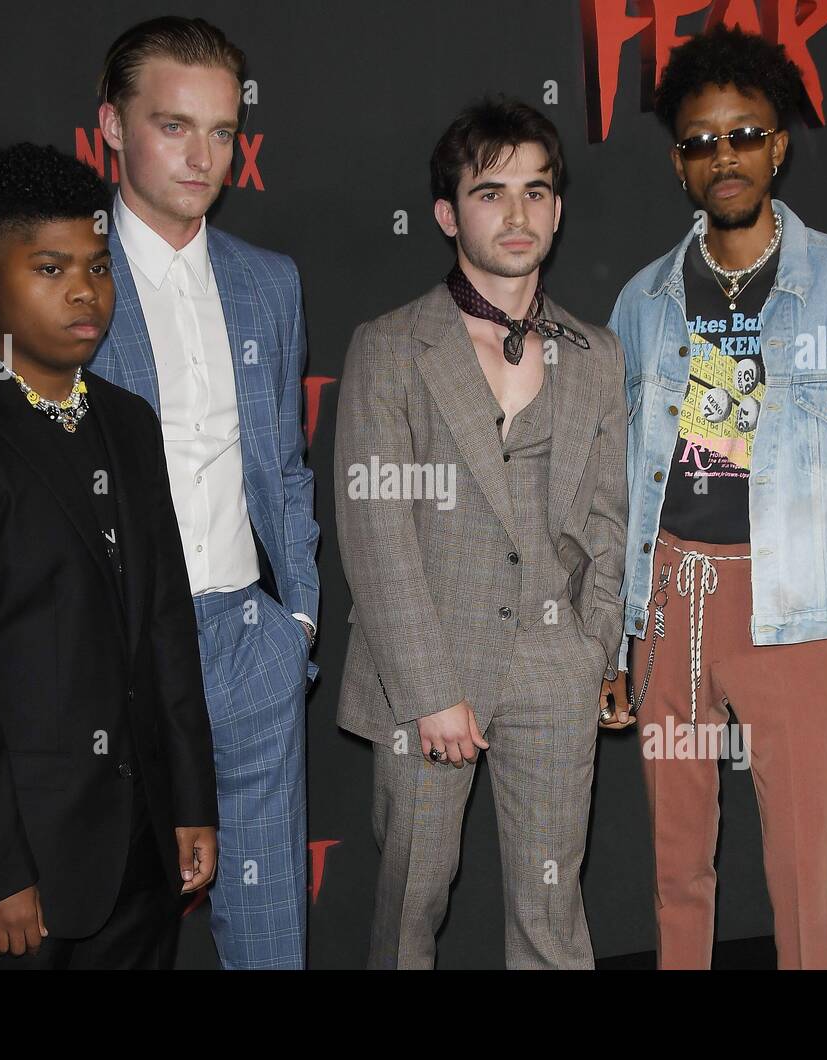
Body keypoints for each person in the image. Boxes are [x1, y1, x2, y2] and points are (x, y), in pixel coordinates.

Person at [0, 16, 320, 969]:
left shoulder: (268, 284)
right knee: (115, 936)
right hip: (110, 662)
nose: (204, 154)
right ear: (113, 128)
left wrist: (295, 629)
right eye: (174, 126)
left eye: (221, 129)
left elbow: (284, 465)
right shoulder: (55, 278)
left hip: (249, 646)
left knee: (271, 935)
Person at [603, 24, 827, 969]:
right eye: (701, 142)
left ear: (778, 146)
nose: (724, 158)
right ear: (679, 164)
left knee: (800, 862)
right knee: (674, 859)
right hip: (666, 604)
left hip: (794, 604)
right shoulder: (642, 304)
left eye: (744, 135)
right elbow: (617, 484)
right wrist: (614, 632)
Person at [0, 142, 218, 970]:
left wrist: (190, 803)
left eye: (97, 268)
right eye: (51, 268)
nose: (83, 293)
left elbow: (165, 624)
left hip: (144, 854)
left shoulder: (129, 421)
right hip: (26, 871)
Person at [335, 98, 628, 968]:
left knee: (551, 904)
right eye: (491, 191)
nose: (517, 214)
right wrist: (429, 690)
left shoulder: (597, 352)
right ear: (446, 213)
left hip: (555, 664)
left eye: (536, 192)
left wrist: (592, 651)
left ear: (558, 209)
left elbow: (611, 517)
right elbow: (376, 530)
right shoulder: (391, 348)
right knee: (412, 903)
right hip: (428, 666)